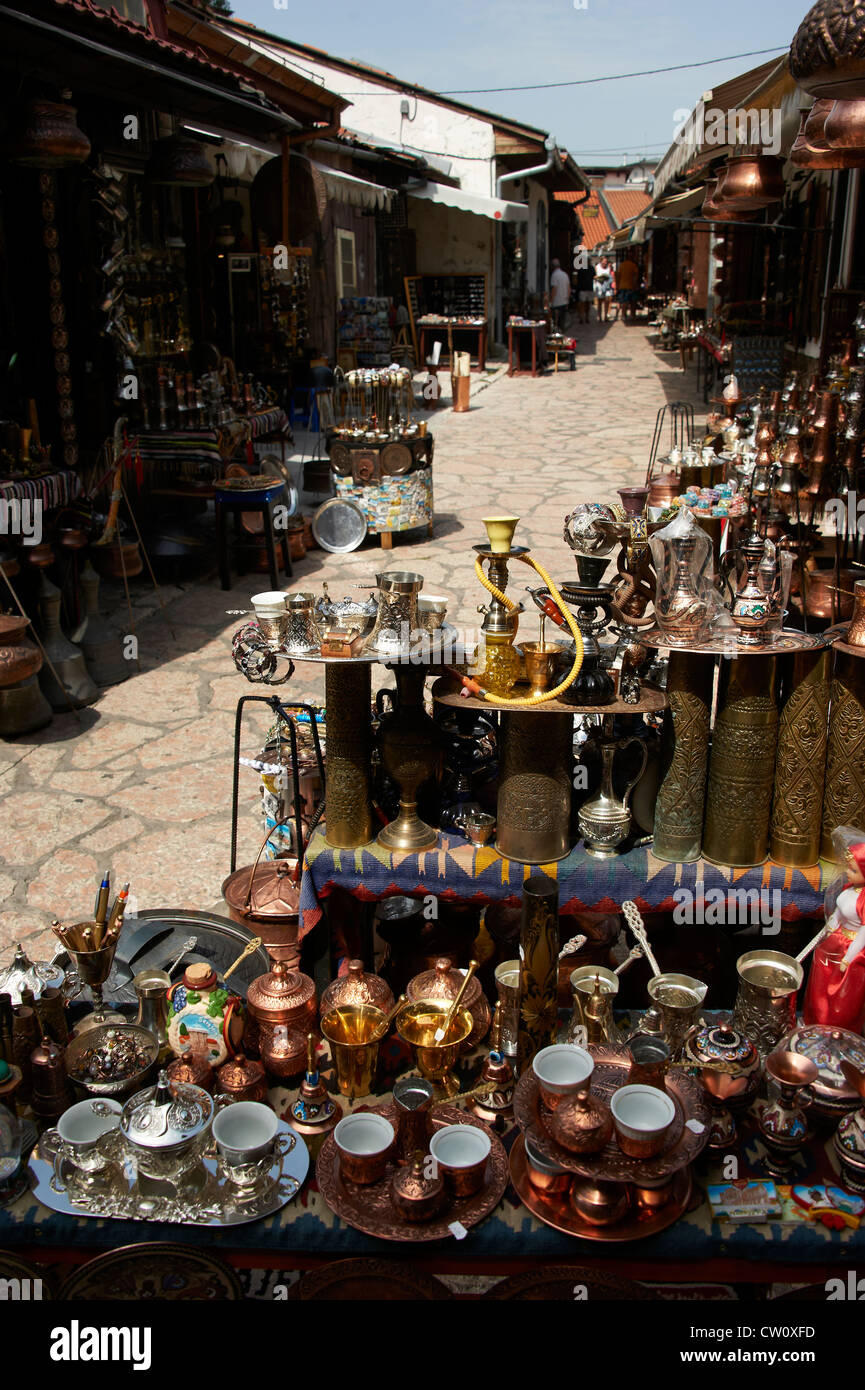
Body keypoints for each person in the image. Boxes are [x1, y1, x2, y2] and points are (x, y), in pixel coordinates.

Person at [616, 256, 640, 323]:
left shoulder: (622, 265)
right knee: (633, 302)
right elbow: (636, 276)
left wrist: (617, 285)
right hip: (631, 286)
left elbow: (618, 275)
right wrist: (635, 285)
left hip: (622, 286)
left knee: (624, 302)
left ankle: (623, 315)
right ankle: (633, 315)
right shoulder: (633, 265)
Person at [549, 259, 571, 331]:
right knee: (562, 321)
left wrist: (551, 301)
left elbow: (554, 289)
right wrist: (567, 299)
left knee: (556, 322)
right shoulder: (565, 274)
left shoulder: (554, 275)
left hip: (557, 302)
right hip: (564, 301)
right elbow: (568, 288)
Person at [574, 258, 595, 324]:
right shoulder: (581, 269)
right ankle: (582, 317)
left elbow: (594, 276)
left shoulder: (591, 268)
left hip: (588, 288)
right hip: (583, 289)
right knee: (583, 304)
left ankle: (586, 317)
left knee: (587, 304)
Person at [593, 256, 614, 322]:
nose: (605, 263)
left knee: (607, 301)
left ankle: (605, 316)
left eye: (606, 261)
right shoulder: (597, 267)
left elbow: (611, 276)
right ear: (601, 261)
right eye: (604, 261)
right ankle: (599, 317)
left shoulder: (608, 268)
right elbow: (594, 276)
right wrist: (599, 278)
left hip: (607, 286)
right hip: (599, 286)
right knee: (599, 302)